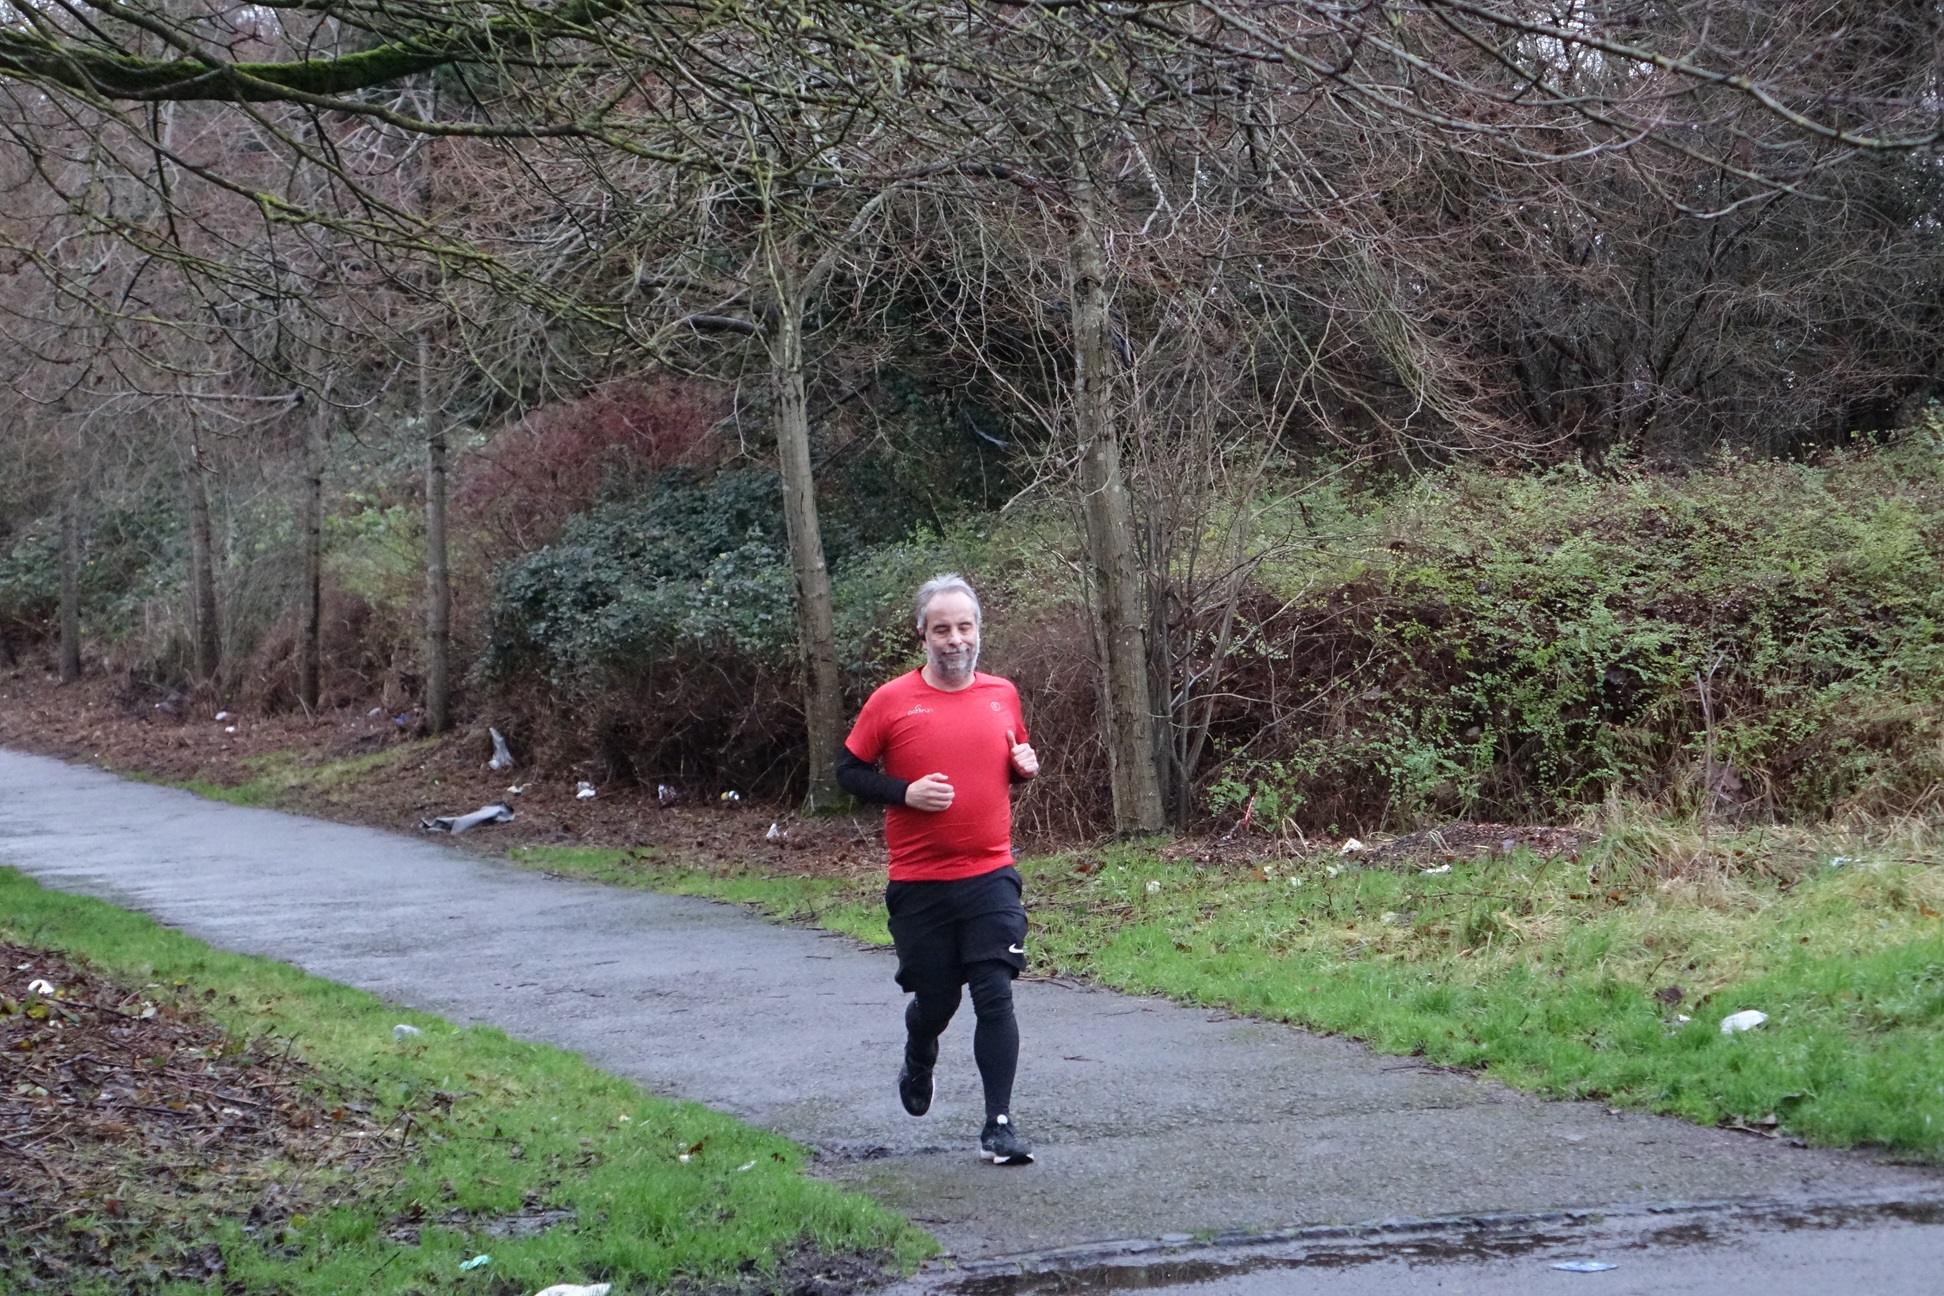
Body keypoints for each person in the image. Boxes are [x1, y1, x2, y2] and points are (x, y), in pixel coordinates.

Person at [836, 573, 1040, 1165]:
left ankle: (999, 1124)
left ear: (979, 630)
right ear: (923, 634)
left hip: (991, 873)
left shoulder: (1003, 693)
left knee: (994, 992)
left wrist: (1023, 766)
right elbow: (847, 773)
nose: (955, 640)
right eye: (943, 629)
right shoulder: (891, 700)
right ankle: (919, 1047)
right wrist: (904, 791)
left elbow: (1008, 762)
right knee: (938, 1000)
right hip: (920, 882)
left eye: (965, 627)